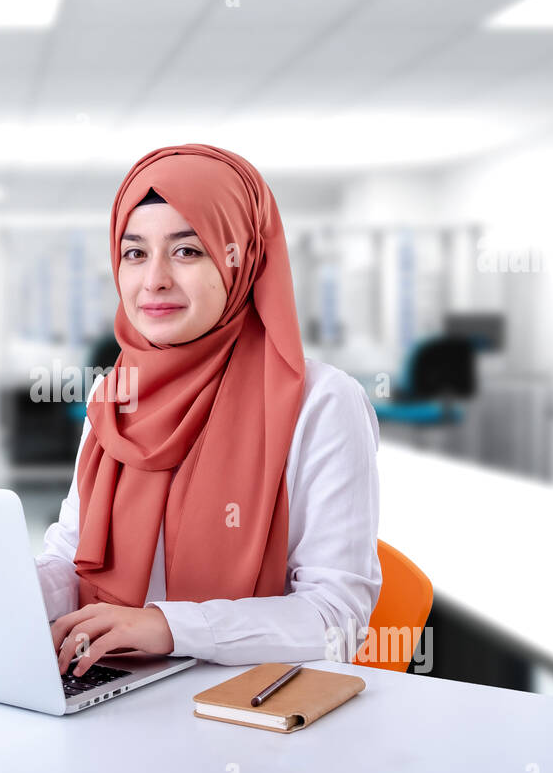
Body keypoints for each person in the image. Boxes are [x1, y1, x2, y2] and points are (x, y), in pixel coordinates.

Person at [35, 143, 382, 677]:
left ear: (241, 259)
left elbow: (336, 618)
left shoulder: (321, 401)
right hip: (107, 685)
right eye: (134, 253)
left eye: (187, 251)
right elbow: (71, 552)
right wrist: (13, 590)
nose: (153, 280)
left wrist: (167, 626)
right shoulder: (113, 396)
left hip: (246, 708)